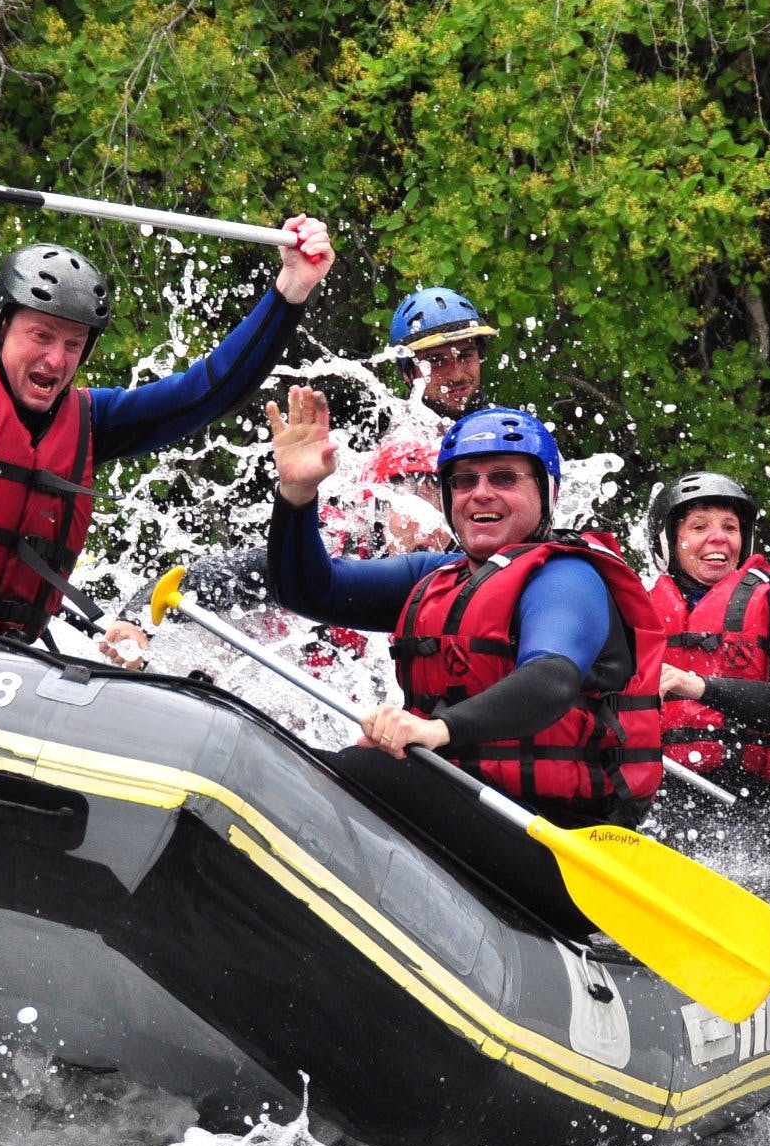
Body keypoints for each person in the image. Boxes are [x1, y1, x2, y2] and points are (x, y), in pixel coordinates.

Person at [0, 160, 334, 691]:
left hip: (0, 666)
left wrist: (290, 290)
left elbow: (206, 391)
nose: (55, 359)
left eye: (72, 344)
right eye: (41, 336)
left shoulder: (91, 421)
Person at [265, 389, 663, 937]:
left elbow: (552, 679)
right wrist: (297, 495)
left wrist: (436, 729)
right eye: (464, 480)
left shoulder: (568, 577)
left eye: (504, 478)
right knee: (303, 760)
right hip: (472, 812)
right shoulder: (434, 577)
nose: (481, 493)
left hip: (564, 848)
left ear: (547, 493)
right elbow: (305, 589)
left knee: (366, 771)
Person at [97, 428, 447, 670]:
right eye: (413, 505)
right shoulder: (324, 554)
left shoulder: (460, 575)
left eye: (440, 506)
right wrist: (136, 622)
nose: (431, 525)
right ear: (375, 509)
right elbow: (204, 578)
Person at [644, 471, 770, 839]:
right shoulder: (638, 610)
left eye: (730, 527)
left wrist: (699, 687)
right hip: (665, 803)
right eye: (699, 526)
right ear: (669, 542)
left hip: (763, 808)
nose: (719, 538)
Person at [387, 286, 497, 419]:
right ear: (407, 374)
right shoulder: (386, 429)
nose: (456, 376)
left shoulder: (509, 426)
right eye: (436, 361)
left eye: (465, 356)